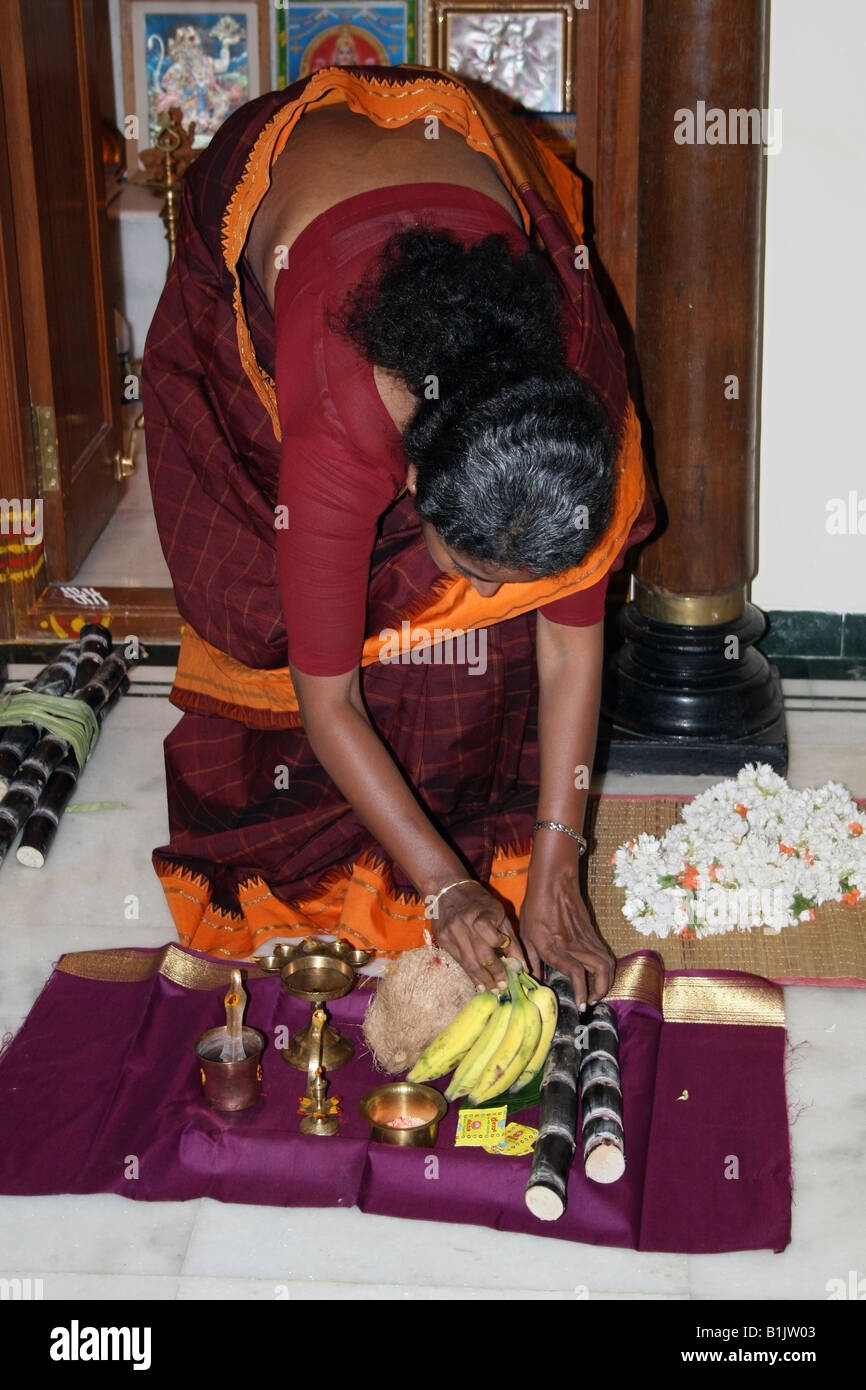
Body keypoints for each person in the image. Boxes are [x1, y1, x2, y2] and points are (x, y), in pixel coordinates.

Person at [143, 63, 655, 1009]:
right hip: (284, 202)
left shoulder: (564, 432)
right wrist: (448, 880)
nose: (493, 603)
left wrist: (558, 861)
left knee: (473, 601)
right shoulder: (338, 432)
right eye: (474, 569)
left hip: (442, 151)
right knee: (276, 600)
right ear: (411, 476)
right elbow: (326, 700)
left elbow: (571, 652)